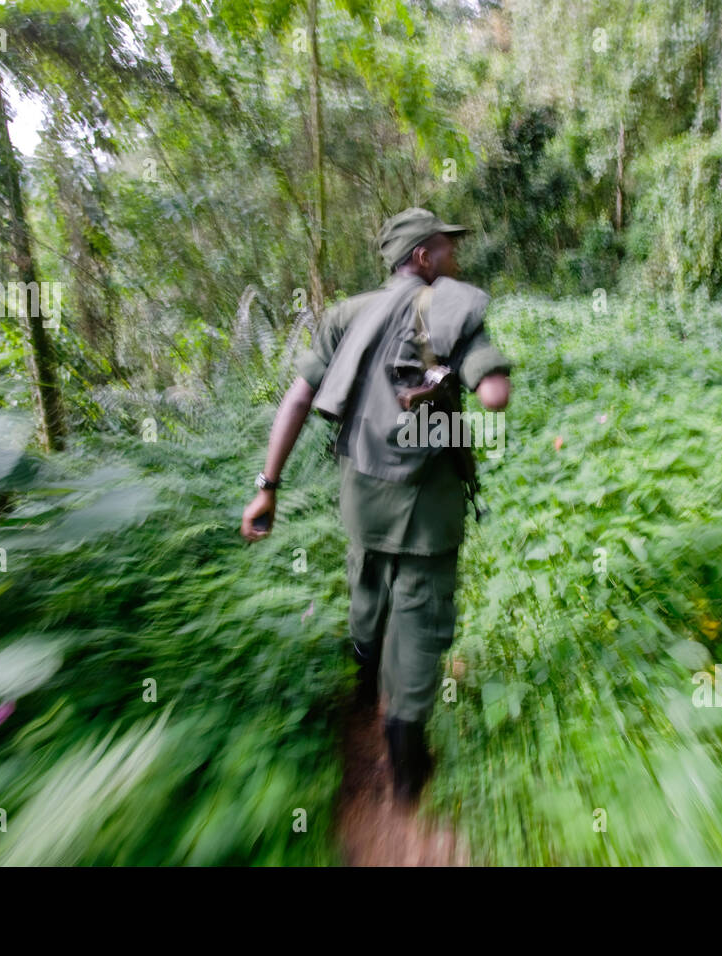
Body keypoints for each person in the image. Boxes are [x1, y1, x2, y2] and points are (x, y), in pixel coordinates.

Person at [240, 207, 512, 807]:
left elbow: (298, 399)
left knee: (368, 582)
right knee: (420, 607)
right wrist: (473, 370)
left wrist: (268, 485)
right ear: (421, 257)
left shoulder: (343, 316)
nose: (455, 258)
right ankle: (406, 751)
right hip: (429, 506)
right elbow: (494, 396)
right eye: (446, 248)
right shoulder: (452, 310)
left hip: (363, 496)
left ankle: (365, 678)